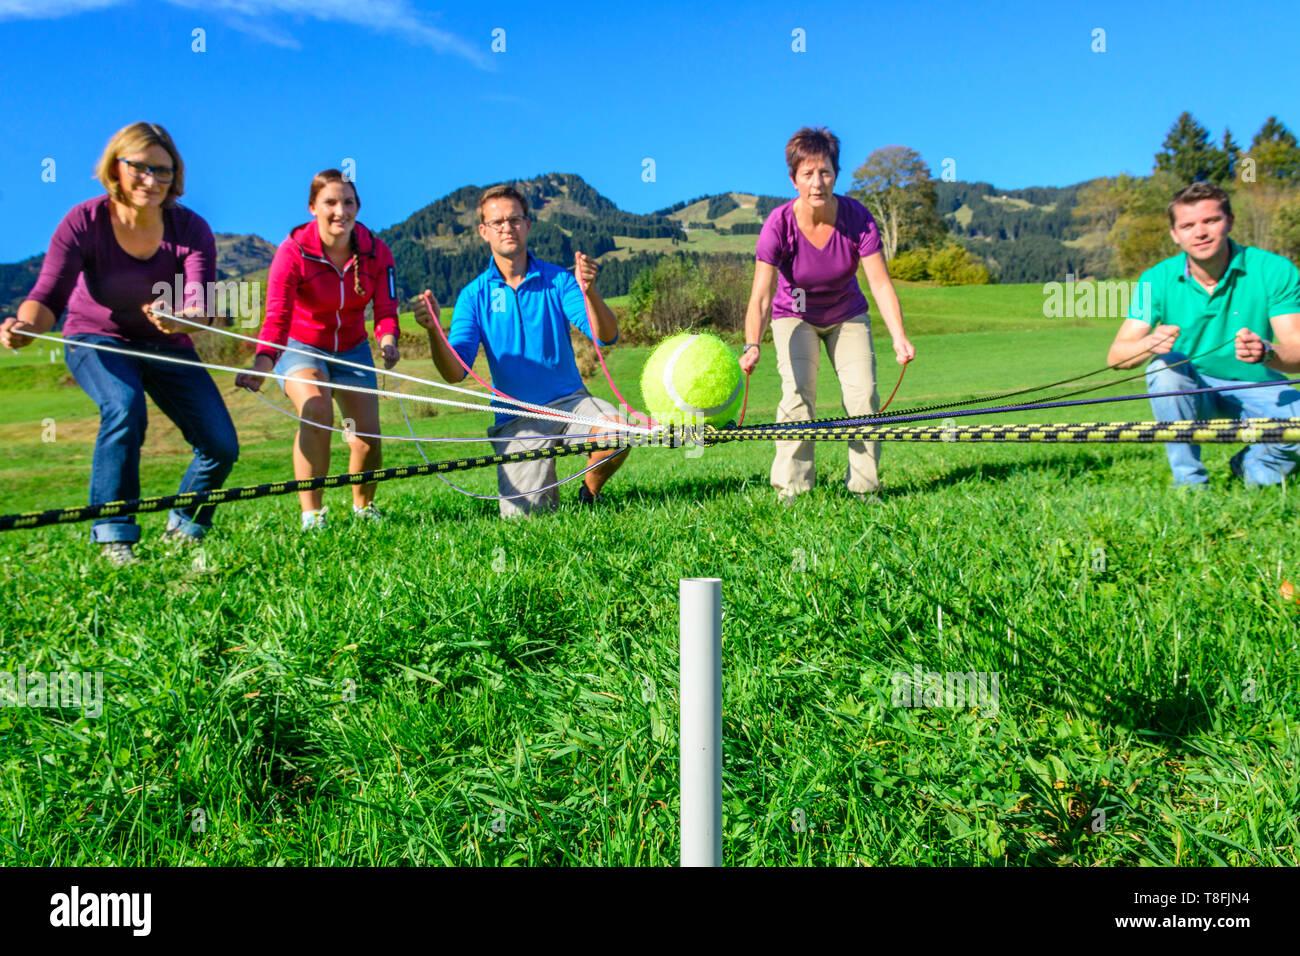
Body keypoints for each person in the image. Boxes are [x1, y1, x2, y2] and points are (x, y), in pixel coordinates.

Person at [0, 122, 238, 566]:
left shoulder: (191, 230)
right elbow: (48, 296)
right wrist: (23, 326)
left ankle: (184, 529)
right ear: (116, 167)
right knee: (124, 406)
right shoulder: (84, 222)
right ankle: (115, 539)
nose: (152, 180)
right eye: (140, 167)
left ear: (176, 176)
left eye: (163, 171)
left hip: (168, 344)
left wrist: (181, 320)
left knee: (221, 443)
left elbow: (200, 303)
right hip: (97, 338)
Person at [412, 184, 627, 518]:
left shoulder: (559, 280)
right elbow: (455, 372)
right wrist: (433, 332)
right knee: (526, 519)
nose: (506, 228)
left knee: (618, 431)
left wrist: (592, 293)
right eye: (497, 222)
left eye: (514, 219)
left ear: (528, 225)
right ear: (483, 232)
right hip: (516, 417)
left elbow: (606, 337)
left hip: (572, 402)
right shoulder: (473, 296)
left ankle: (590, 493)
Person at [741, 126, 916, 504]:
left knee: (863, 395)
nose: (817, 182)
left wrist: (899, 335)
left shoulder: (858, 219)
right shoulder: (778, 225)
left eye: (825, 172)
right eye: (807, 174)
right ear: (793, 179)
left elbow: (881, 285)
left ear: (836, 174)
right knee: (798, 394)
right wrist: (752, 344)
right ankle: (793, 490)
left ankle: (866, 489)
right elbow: (760, 295)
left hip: (846, 314)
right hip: (795, 315)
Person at [234, 170, 401, 529]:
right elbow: (277, 318)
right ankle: (313, 514)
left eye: (348, 202)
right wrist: (263, 363)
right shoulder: (292, 253)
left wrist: (388, 341)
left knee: (365, 436)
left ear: (358, 207)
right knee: (317, 408)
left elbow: (386, 311)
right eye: (330, 202)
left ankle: (364, 509)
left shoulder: (377, 252)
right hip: (302, 348)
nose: (340, 211)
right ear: (313, 207)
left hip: (354, 350)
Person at [1106, 181, 1300, 487]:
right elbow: (1117, 356)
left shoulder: (1275, 269)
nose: (1200, 233)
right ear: (1174, 234)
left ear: (1230, 222)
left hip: (1260, 385)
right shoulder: (1153, 279)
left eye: (1211, 220)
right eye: (1187, 225)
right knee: (1163, 368)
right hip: (1194, 391)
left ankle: (1251, 470)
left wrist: (1267, 351)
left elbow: (1297, 352)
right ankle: (1190, 486)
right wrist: (1148, 344)